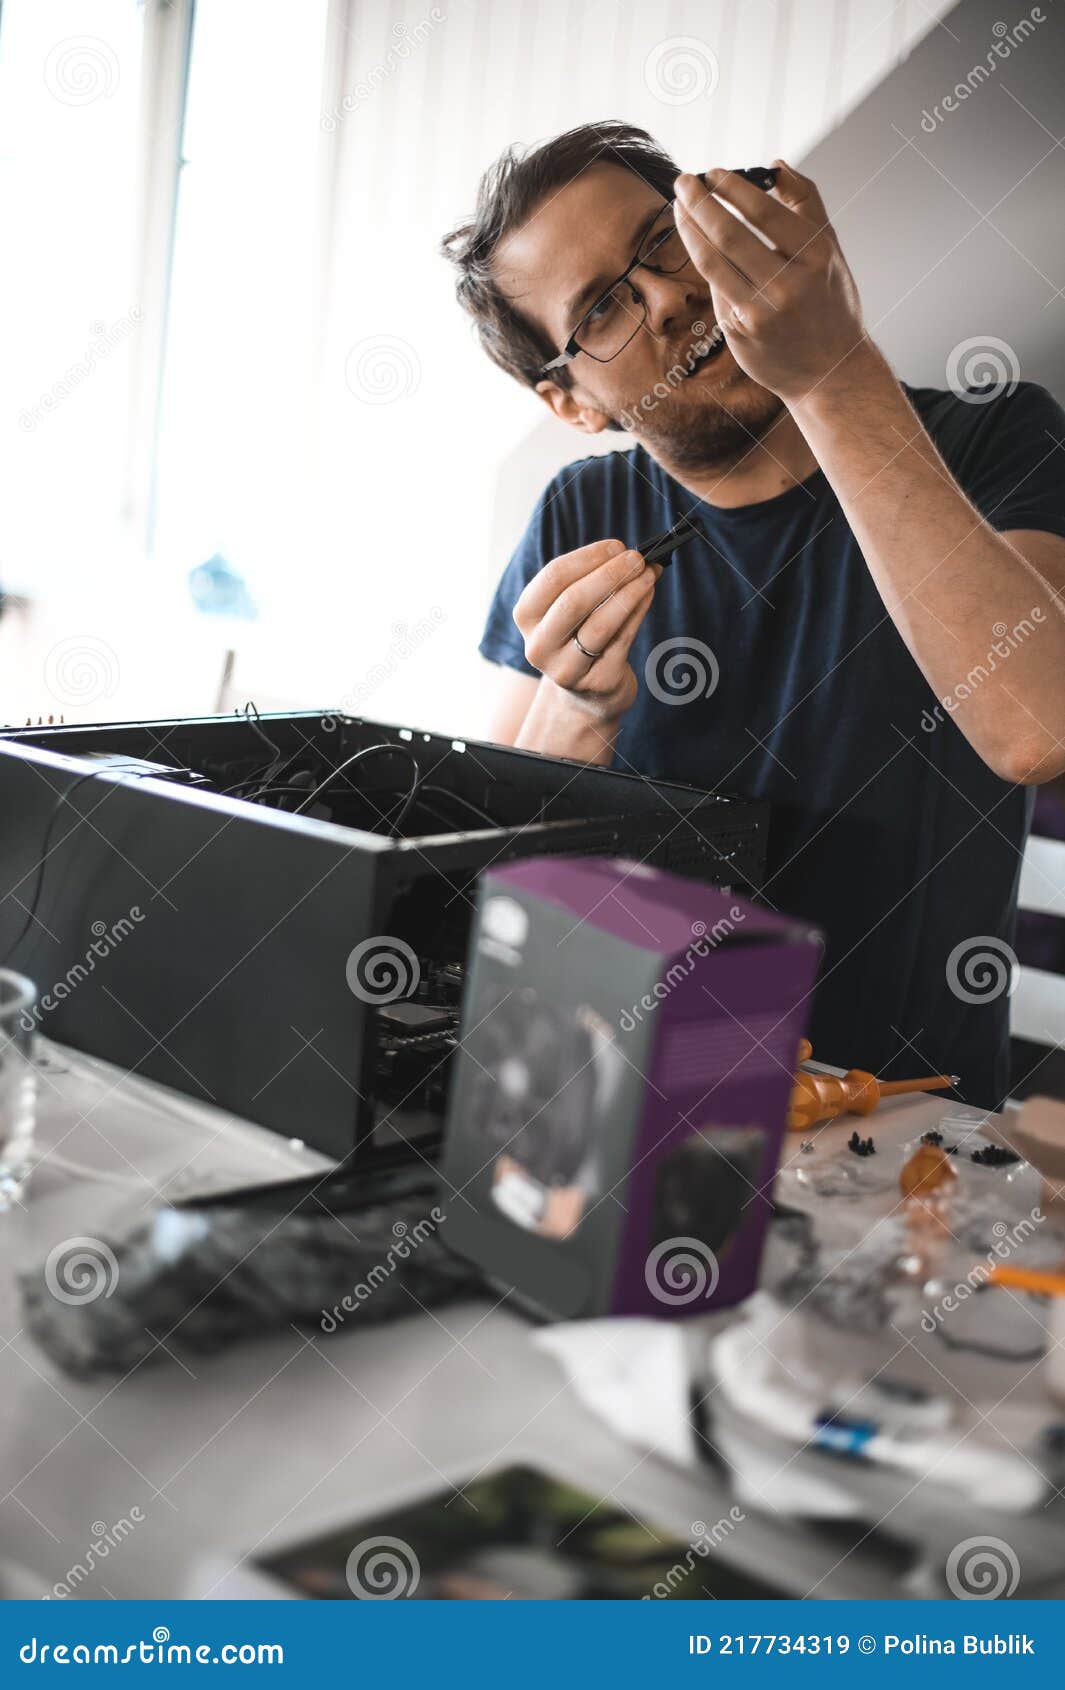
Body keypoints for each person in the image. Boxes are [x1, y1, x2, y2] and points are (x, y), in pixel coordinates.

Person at [441, 122, 1065, 1108]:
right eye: (605, 306)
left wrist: (828, 368)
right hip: (631, 1097)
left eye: (663, 242)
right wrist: (584, 712)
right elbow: (502, 886)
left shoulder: (992, 436)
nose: (670, 298)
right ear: (572, 404)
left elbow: (1038, 727)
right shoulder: (581, 511)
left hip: (907, 1121)